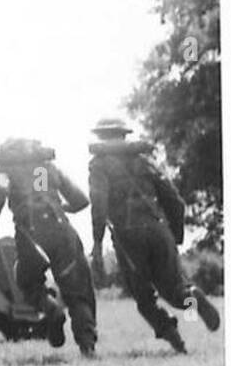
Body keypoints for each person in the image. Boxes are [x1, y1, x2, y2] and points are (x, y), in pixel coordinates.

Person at [88, 116, 219, 352]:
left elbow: (98, 205)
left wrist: (97, 243)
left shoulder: (98, 165)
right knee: (178, 291)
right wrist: (176, 236)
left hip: (129, 238)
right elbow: (175, 200)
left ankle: (175, 339)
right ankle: (193, 297)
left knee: (145, 299)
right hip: (159, 230)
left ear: (100, 137)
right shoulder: (145, 161)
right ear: (124, 135)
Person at [0, 137, 96, 356]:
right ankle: (87, 345)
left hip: (30, 235)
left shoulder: (5, 172)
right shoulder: (45, 169)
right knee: (77, 289)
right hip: (63, 231)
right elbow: (81, 200)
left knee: (27, 280)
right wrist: (59, 207)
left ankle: (51, 309)